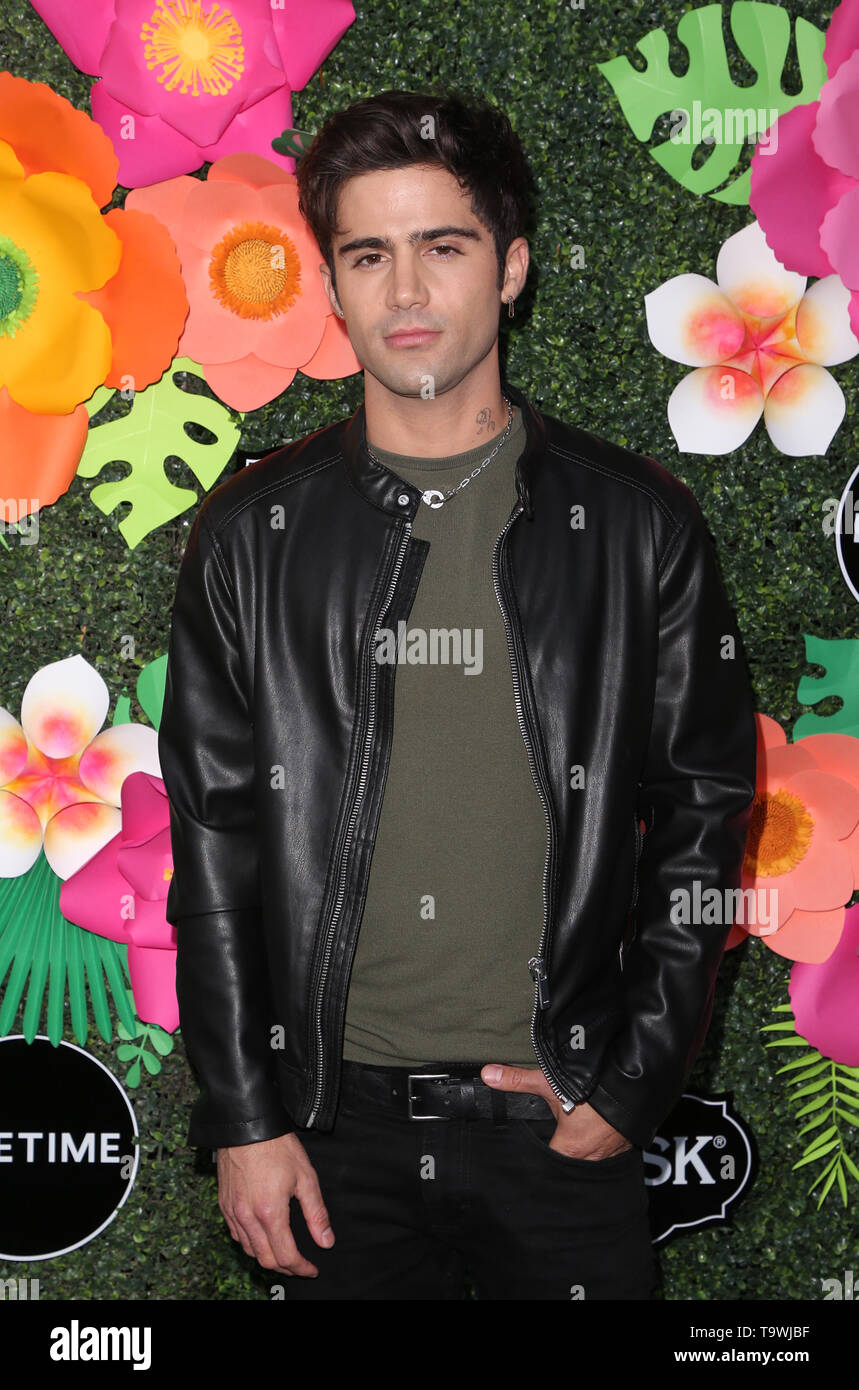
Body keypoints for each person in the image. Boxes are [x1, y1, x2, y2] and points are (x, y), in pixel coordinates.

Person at [158, 87, 758, 1301]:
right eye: (369, 254)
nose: (407, 291)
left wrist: (635, 1072)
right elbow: (214, 852)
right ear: (330, 286)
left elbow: (707, 808)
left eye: (444, 246)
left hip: (558, 1124)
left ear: (513, 267)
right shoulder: (252, 536)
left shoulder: (637, 526)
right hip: (326, 1136)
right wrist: (243, 1116)